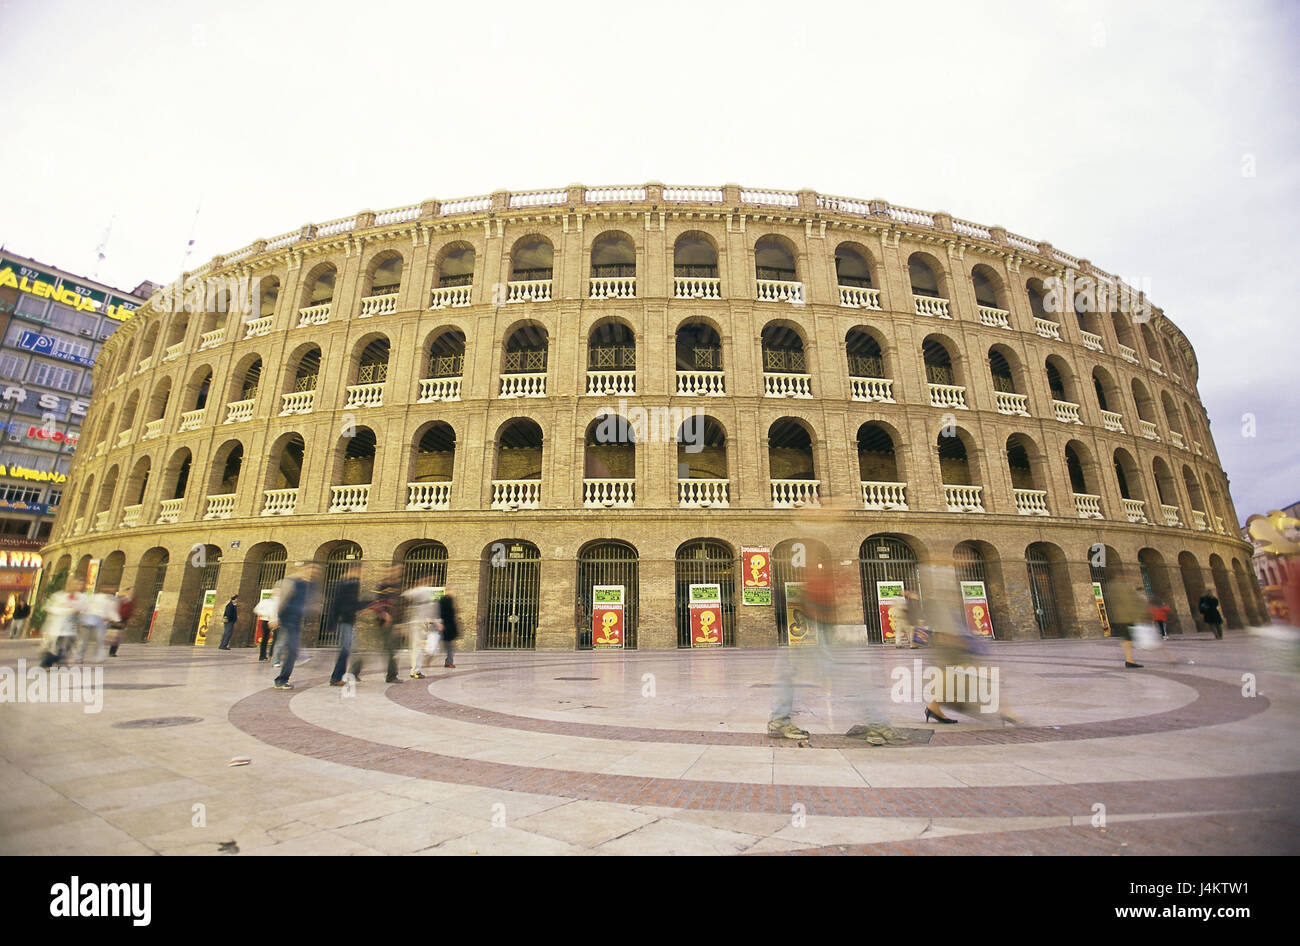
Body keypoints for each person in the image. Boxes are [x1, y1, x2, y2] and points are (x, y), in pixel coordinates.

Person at [272, 564, 320, 690]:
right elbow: (278, 599)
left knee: (292, 649)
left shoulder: (308, 585)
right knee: (292, 648)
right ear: (304, 568)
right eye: (311, 569)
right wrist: (274, 618)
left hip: (296, 620)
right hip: (286, 618)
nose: (313, 572)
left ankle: (282, 678)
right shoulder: (290, 581)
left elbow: (307, 602)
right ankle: (281, 679)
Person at [329, 564, 362, 686]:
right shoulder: (348, 584)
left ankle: (349, 674)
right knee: (345, 649)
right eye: (359, 570)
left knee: (350, 649)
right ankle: (336, 677)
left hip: (348, 620)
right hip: (345, 621)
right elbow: (340, 604)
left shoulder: (349, 583)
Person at [40, 580, 86, 669]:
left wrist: (77, 611)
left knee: (66, 647)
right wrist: (65, 610)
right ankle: (46, 664)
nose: (78, 587)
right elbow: (48, 607)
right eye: (76, 584)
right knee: (53, 647)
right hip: (56, 626)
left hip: (70, 628)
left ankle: (60, 662)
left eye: (80, 584)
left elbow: (84, 608)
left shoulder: (81, 597)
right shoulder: (58, 596)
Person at [402, 577, 439, 679]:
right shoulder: (421, 590)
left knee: (418, 648)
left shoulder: (423, 591)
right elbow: (406, 594)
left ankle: (416, 669)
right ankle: (415, 671)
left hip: (421, 623)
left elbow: (406, 594)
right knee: (417, 648)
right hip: (417, 624)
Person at [1107, 580, 1147, 668]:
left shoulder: (1117, 595)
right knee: (1128, 639)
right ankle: (1129, 660)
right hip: (1126, 619)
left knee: (1127, 639)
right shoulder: (1128, 597)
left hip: (1123, 619)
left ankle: (1129, 660)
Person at [254, 588, 280, 661]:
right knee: (265, 638)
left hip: (275, 621)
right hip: (265, 620)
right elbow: (256, 610)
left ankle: (272, 654)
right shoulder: (265, 602)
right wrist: (267, 614)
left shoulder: (278, 602)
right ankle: (262, 656)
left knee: (276, 638)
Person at [108, 589, 135, 657]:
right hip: (116, 618)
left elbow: (130, 612)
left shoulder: (131, 601)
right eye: (131, 591)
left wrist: (127, 621)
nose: (132, 593)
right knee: (114, 635)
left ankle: (112, 652)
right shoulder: (121, 599)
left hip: (123, 620)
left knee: (117, 636)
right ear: (127, 592)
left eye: (133, 592)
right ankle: (110, 651)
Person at [438, 588, 459, 669]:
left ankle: (448, 662)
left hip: (448, 627)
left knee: (449, 647)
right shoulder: (446, 600)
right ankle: (449, 662)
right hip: (446, 627)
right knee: (450, 647)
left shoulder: (448, 600)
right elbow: (446, 613)